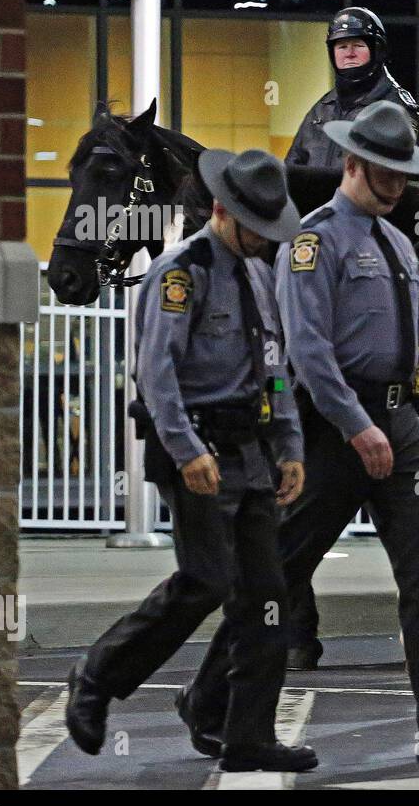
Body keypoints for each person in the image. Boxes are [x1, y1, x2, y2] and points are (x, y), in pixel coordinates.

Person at [64, 149, 315, 773]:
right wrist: (185, 450)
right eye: (255, 222)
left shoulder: (258, 274)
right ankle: (97, 676)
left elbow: (276, 372)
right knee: (205, 581)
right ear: (222, 210)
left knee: (266, 600)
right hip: (195, 452)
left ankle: (242, 734)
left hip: (249, 453)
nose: (264, 235)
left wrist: (289, 446)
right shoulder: (182, 272)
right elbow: (156, 372)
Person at [275, 100, 419, 763]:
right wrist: (357, 426)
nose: (398, 185)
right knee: (278, 570)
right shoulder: (315, 240)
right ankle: (212, 699)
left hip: (399, 421)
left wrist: (409, 400)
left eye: (404, 174)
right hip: (334, 426)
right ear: (352, 164)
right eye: (386, 173)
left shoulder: (396, 243)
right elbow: (308, 348)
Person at [286, 6, 419, 170]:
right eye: (342, 47)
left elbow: (406, 182)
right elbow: (292, 169)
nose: (349, 53)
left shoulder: (399, 110)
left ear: (377, 49)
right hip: (318, 197)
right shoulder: (321, 109)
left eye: (358, 45)